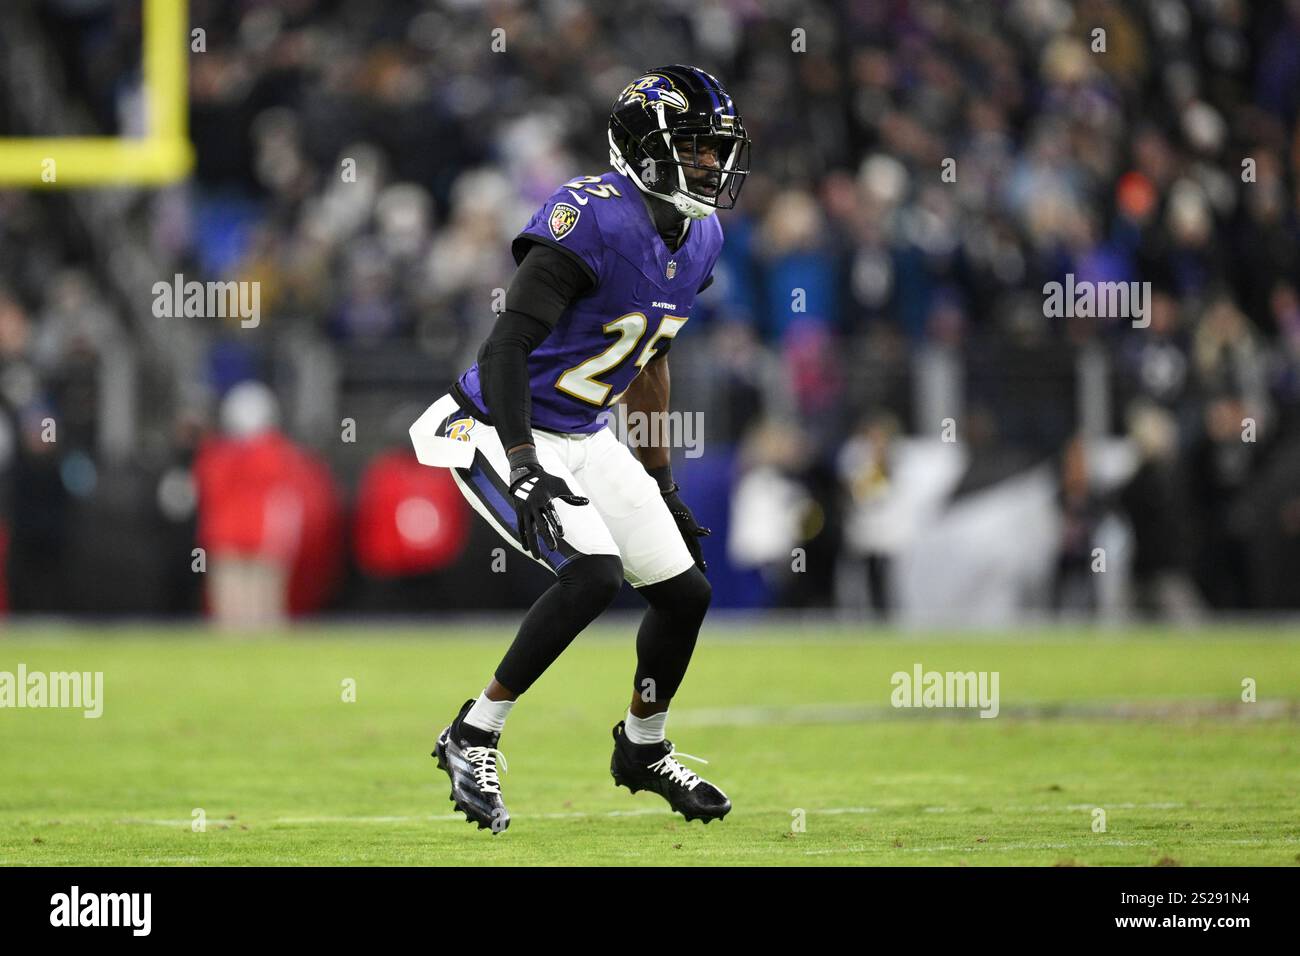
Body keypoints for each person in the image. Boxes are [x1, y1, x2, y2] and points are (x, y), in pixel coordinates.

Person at [409, 65, 750, 832]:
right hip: (498, 422)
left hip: (586, 433)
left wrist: (660, 478)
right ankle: (473, 731)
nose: (710, 166)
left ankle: (642, 747)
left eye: (716, 150)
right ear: (643, 147)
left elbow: (650, 359)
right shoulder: (590, 216)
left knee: (684, 592)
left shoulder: (703, 237)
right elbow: (505, 349)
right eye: (694, 149)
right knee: (593, 575)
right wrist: (524, 460)